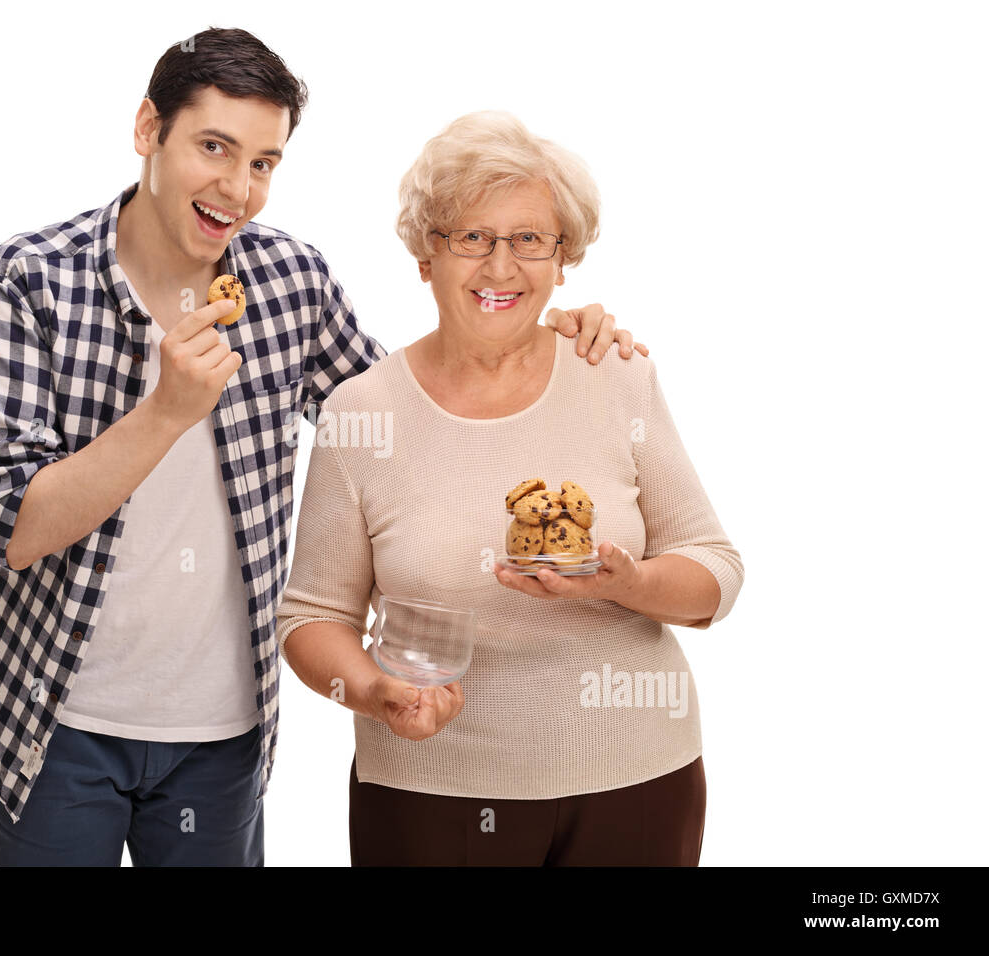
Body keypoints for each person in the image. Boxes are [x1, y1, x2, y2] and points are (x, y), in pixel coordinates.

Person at [0, 28, 644, 867]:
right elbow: (16, 527)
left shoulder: (291, 283)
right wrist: (166, 411)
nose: (238, 189)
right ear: (147, 130)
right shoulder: (25, 283)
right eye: (215, 147)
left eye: (264, 163)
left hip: (223, 737)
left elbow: (409, 422)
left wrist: (535, 332)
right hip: (55, 724)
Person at [275, 110, 743, 866]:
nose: (501, 267)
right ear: (427, 254)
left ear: (564, 259)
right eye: (471, 237)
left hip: (637, 783)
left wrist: (626, 582)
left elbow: (715, 576)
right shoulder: (360, 414)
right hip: (427, 796)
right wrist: (372, 692)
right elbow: (312, 617)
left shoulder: (616, 374)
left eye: (529, 239)